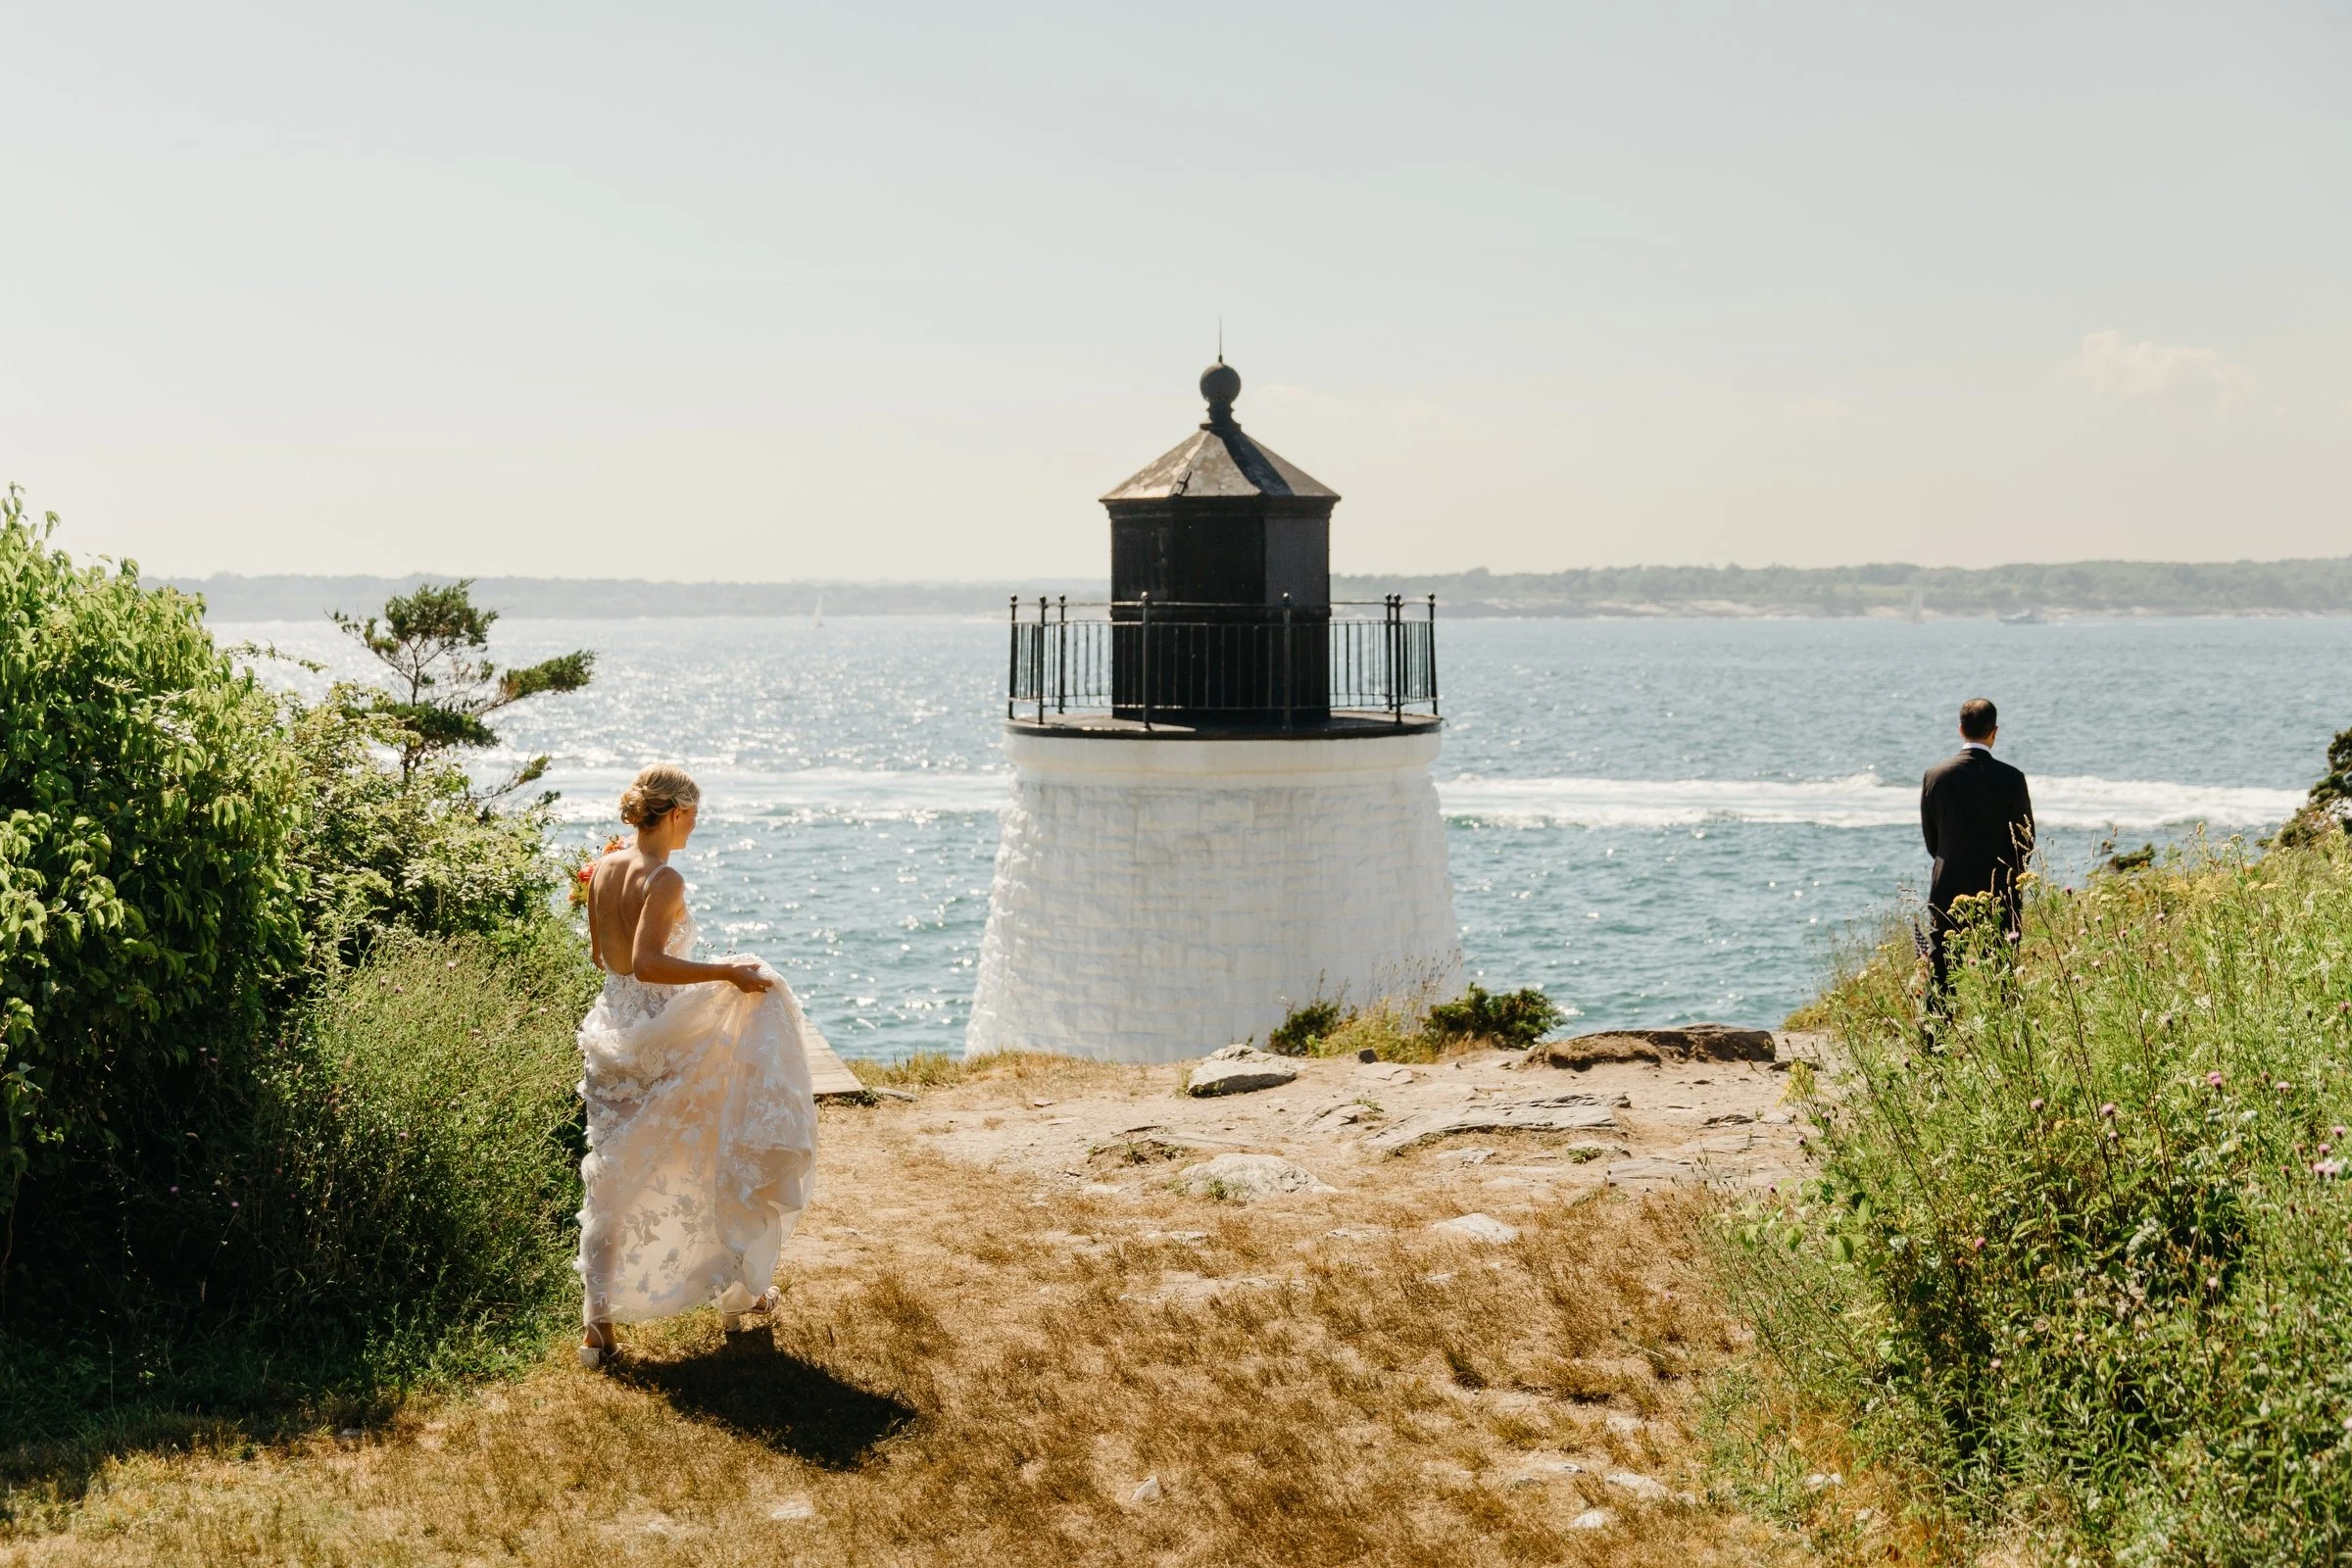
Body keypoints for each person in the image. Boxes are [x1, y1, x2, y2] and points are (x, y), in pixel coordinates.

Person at [574, 763, 818, 1369]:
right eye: (696, 815)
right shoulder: (665, 879)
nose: (695, 827)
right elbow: (650, 964)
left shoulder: (605, 865)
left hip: (612, 1030)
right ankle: (742, 1290)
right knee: (720, 1142)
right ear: (677, 812)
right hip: (657, 1036)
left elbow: (602, 956)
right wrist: (727, 974)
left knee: (611, 1177)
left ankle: (597, 1327)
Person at [1920, 698, 2035, 997]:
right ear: (1994, 731)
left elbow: (1932, 840)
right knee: (2001, 976)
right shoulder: (2012, 778)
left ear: (1960, 729)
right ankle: (2005, 1041)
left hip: (1948, 886)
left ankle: (1934, 1042)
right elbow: (2025, 840)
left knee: (1943, 975)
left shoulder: (1935, 776)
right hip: (2000, 889)